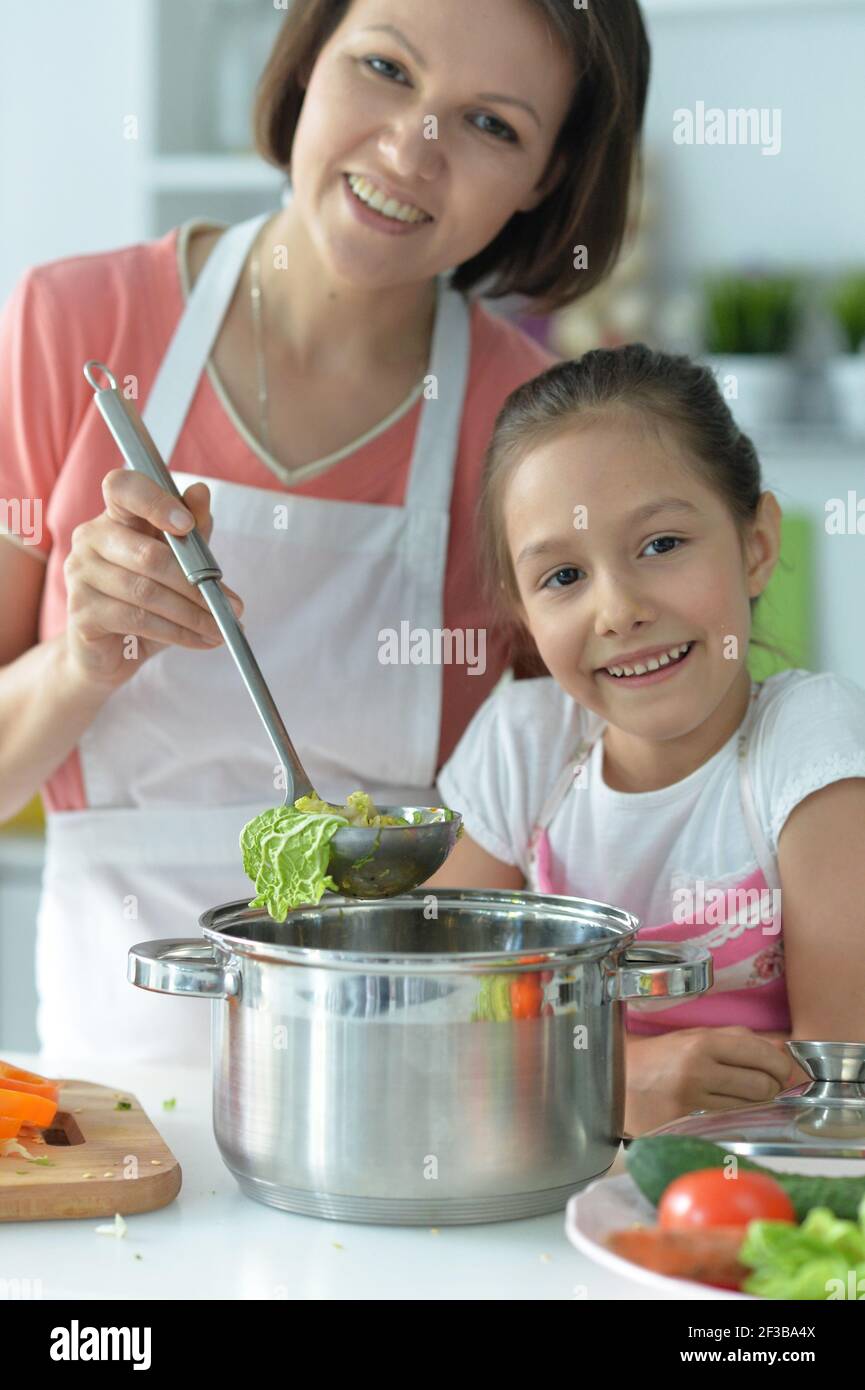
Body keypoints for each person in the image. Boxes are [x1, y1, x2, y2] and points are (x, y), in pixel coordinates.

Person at [0, 0, 651, 1063]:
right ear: (306, 58)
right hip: (108, 1089)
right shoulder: (75, 325)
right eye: (385, 67)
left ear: (548, 175)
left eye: (491, 124)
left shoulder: (538, 428)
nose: (410, 149)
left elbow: (586, 808)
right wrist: (79, 661)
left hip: (403, 1076)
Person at [429, 344, 865, 1135]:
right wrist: (620, 1080)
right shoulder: (523, 747)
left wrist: (553, 1076)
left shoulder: (808, 747)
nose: (618, 610)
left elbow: (847, 1092)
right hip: (554, 1204)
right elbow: (425, 1015)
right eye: (561, 577)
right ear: (523, 614)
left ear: (756, 547)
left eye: (660, 545)